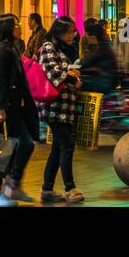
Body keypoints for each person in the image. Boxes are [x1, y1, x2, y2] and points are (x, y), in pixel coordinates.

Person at [0, 13, 38, 206]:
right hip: (4, 110)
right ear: (7, 29)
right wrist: (1, 107)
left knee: (7, 146)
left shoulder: (9, 48)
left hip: (13, 109)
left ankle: (7, 187)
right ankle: (0, 190)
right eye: (16, 24)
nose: (20, 27)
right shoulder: (3, 51)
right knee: (2, 147)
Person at [36, 17, 84, 204]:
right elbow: (53, 73)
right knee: (67, 145)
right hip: (54, 107)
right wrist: (72, 77)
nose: (73, 34)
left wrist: (74, 74)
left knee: (58, 148)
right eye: (70, 31)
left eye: (74, 31)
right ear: (59, 31)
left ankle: (47, 189)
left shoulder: (66, 49)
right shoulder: (48, 47)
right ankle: (70, 187)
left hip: (66, 106)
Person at [78, 18, 120, 95]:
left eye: (89, 35)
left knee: (79, 85)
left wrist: (79, 70)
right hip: (109, 82)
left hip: (103, 84)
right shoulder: (105, 44)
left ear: (93, 36)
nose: (88, 38)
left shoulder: (101, 49)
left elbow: (89, 61)